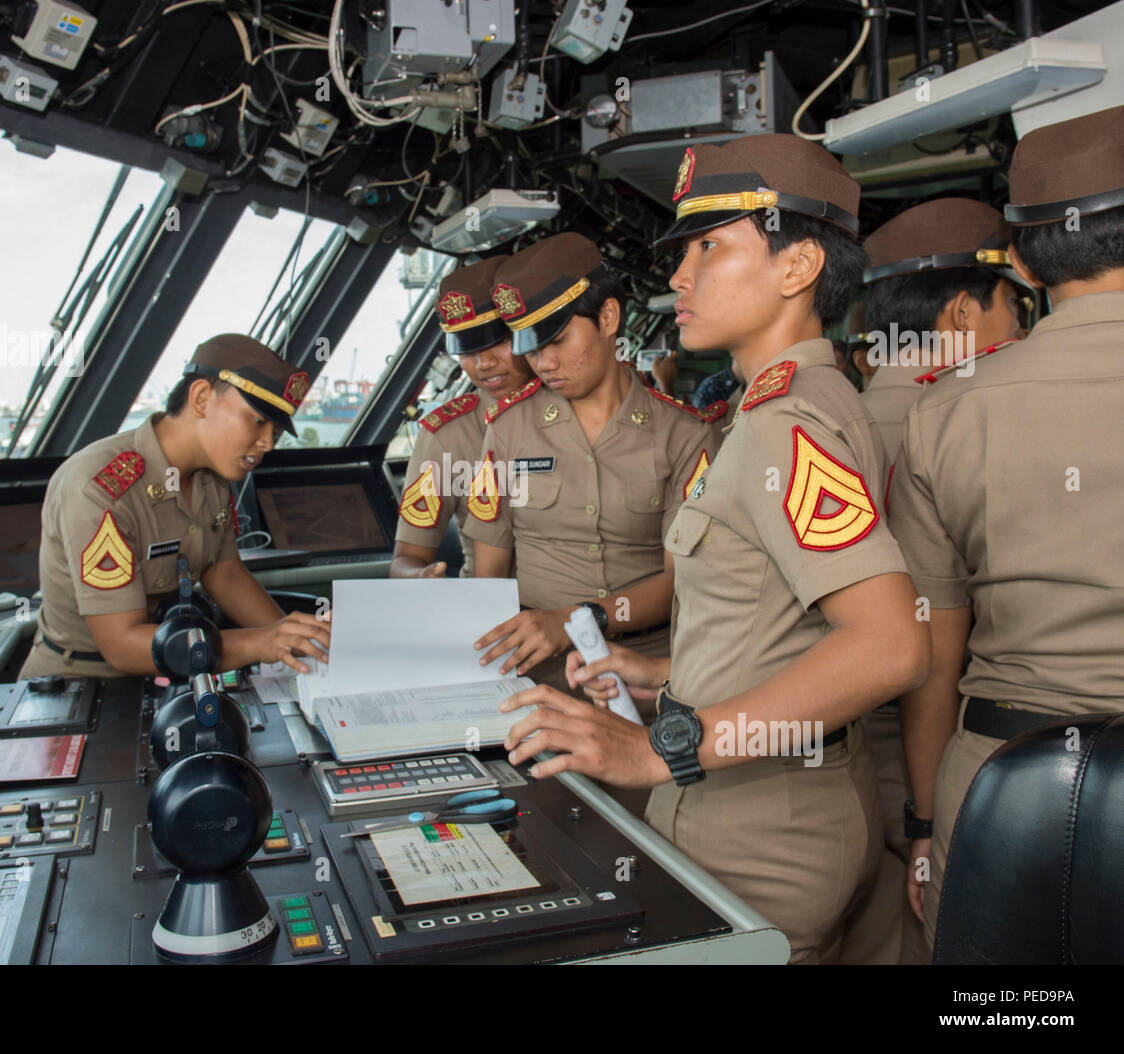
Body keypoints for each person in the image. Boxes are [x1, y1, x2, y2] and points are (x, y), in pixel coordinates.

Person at [501, 135, 930, 963]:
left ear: (798, 266)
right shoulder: (810, 399)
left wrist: (659, 748)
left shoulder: (786, 424)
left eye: (710, 248)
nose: (679, 277)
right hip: (796, 795)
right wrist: (663, 674)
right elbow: (781, 622)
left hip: (759, 826)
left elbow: (890, 645)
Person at [888, 104, 1124, 951]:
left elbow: (932, 651)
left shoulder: (945, 413)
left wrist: (925, 821)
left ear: (1020, 261)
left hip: (997, 778)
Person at [844, 197, 1026, 963]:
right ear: (960, 312)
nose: (1020, 332)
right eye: (1012, 308)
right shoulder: (983, 425)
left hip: (841, 749)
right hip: (945, 743)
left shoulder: (827, 423)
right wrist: (928, 814)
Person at [463, 233, 725, 704]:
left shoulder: (685, 434)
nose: (544, 363)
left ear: (607, 318)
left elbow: (685, 580)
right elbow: (488, 580)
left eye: (558, 340)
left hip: (651, 674)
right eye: (531, 347)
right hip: (536, 675)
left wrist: (577, 620)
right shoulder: (506, 430)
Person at [19, 334, 332, 679]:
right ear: (201, 398)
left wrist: (301, 642)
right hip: (80, 680)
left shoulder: (212, 479)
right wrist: (259, 643)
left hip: (168, 670)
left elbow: (224, 573)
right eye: (258, 421)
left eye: (276, 431)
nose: (268, 443)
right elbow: (121, 645)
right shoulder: (100, 489)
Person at [390, 257, 534, 579]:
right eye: (468, 351)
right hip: (490, 605)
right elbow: (406, 558)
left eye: (498, 342)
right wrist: (419, 577)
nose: (483, 364)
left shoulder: (580, 408)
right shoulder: (448, 435)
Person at [859, 197, 1026, 462]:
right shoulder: (987, 432)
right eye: (1012, 302)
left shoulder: (835, 423)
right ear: (963, 313)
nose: (1018, 325)